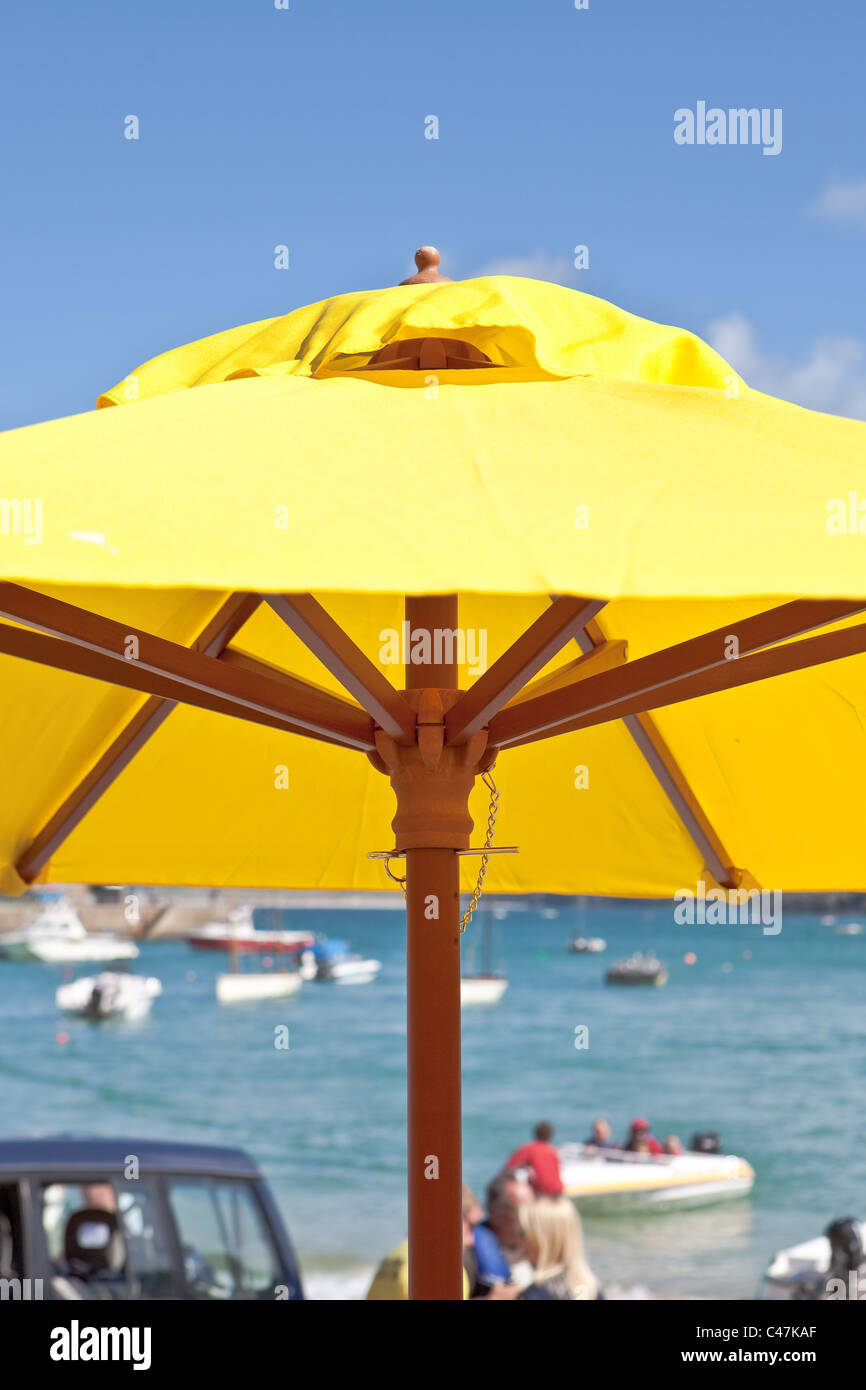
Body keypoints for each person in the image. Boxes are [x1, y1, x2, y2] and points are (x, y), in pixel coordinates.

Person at [518, 1197, 600, 1301]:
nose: (519, 1239)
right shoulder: (591, 1289)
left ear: (540, 1241)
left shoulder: (533, 1294)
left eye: (523, 1233)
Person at [469, 1171, 533, 1298]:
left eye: (533, 1207)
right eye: (523, 1209)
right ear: (495, 1212)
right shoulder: (469, 1251)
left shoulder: (539, 1246)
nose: (531, 1216)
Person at [505, 1122, 564, 1195]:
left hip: (541, 1192)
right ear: (550, 1135)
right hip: (557, 1192)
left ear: (535, 1134)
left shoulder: (529, 1149)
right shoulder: (553, 1151)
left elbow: (509, 1167)